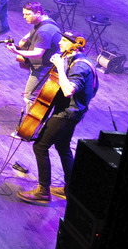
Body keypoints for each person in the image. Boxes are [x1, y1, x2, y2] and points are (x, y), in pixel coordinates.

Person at [18, 33, 99, 205]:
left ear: (74, 45)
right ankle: (70, 189)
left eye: (63, 41)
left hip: (66, 114)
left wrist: (61, 68)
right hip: (72, 113)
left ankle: (43, 191)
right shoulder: (76, 60)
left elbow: (69, 90)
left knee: (40, 146)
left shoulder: (80, 66)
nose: (60, 43)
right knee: (63, 147)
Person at [12, 2, 63, 108]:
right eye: (24, 14)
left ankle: (29, 124)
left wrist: (16, 51)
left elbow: (38, 53)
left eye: (27, 14)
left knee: (30, 97)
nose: (24, 17)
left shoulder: (45, 31)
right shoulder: (43, 22)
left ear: (38, 13)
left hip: (44, 68)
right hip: (40, 66)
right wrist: (25, 39)